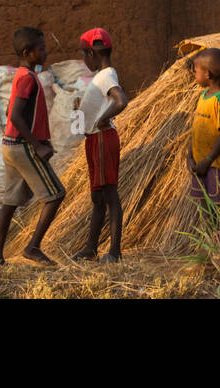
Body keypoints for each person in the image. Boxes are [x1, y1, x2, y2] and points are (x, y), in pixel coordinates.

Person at [0, 27, 66, 266]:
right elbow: (15, 116)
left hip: (10, 145)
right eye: (41, 49)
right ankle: (33, 247)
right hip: (23, 147)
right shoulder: (27, 79)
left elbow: (10, 111)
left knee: (10, 201)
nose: (45, 53)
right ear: (28, 52)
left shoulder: (22, 75)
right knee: (55, 195)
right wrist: (38, 146)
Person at [73, 27, 127, 263]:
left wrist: (103, 119)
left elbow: (120, 100)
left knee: (110, 195)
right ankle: (90, 249)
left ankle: (115, 252)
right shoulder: (101, 76)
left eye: (84, 55)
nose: (84, 60)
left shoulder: (106, 75)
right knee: (97, 198)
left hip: (103, 137)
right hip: (95, 139)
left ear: (91, 53)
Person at [187, 47, 220, 210]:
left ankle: (219, 235)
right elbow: (197, 129)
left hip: (214, 166)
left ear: (207, 74)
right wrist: (190, 155)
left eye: (196, 71)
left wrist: (207, 160)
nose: (194, 75)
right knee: (204, 207)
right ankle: (209, 236)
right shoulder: (203, 96)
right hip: (199, 165)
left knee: (217, 208)